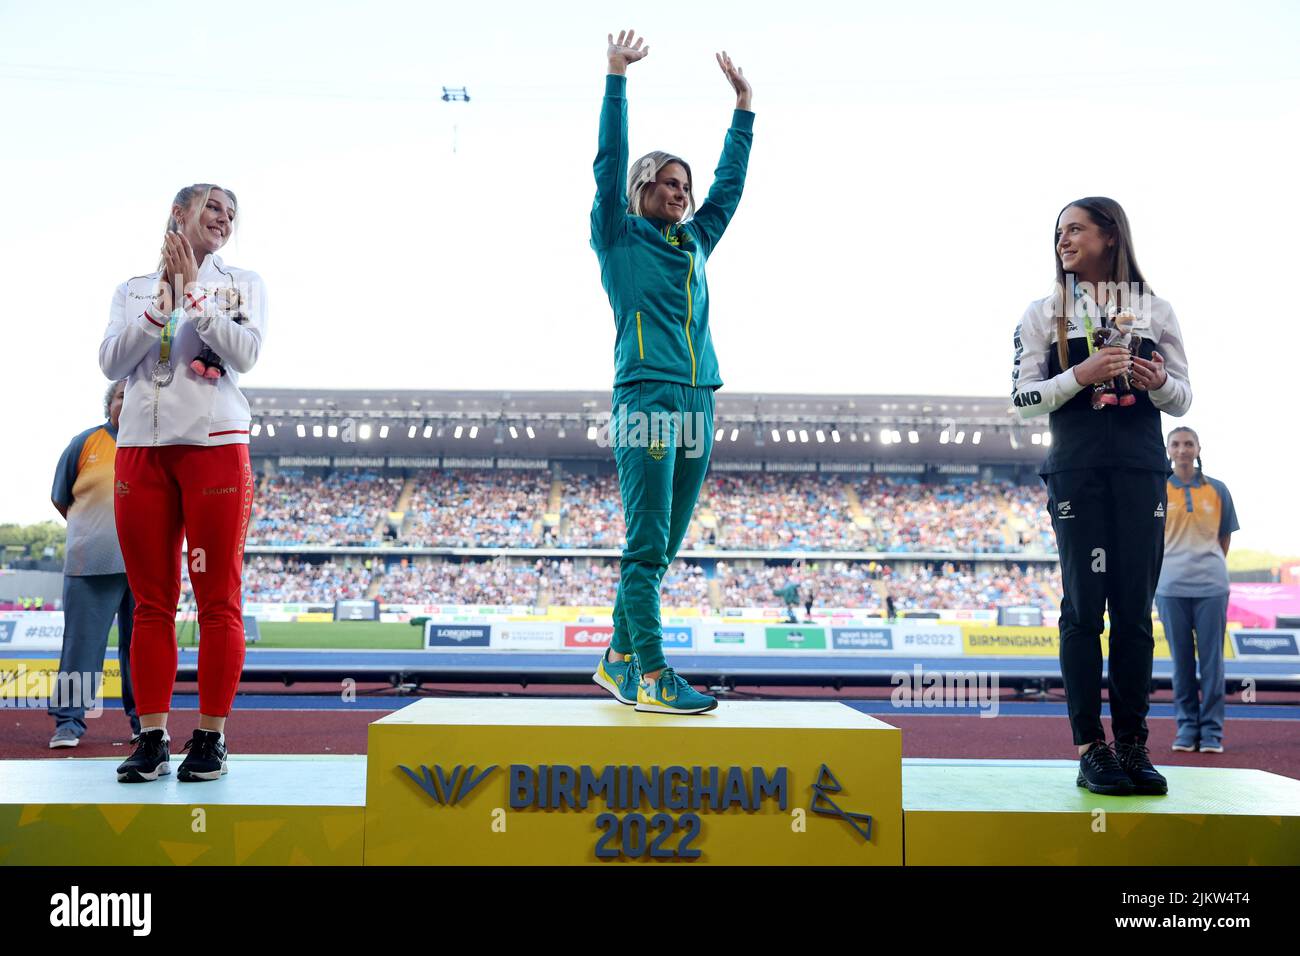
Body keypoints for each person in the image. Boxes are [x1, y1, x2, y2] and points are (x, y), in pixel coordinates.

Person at [589, 29, 753, 715]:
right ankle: (651, 674)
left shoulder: (696, 243)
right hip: (649, 397)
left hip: (698, 401)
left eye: (685, 185)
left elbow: (729, 189)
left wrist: (744, 111)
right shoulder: (617, 235)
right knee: (647, 540)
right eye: (668, 182)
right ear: (642, 189)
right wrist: (616, 78)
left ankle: (618, 658)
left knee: (666, 544)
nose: (682, 194)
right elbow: (608, 161)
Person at [1012, 197, 1192, 796]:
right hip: (1077, 471)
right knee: (1086, 612)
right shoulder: (1043, 314)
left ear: (1110, 235)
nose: (1063, 240)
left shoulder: (1156, 309)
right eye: (1058, 232)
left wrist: (1159, 381)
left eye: (1076, 229)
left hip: (1141, 469)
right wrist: (1081, 376)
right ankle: (1092, 748)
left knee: (1135, 615)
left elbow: (1184, 398)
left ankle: (1134, 745)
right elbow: (1023, 397)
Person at [100, 183, 266, 782]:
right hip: (141, 452)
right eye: (211, 207)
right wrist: (161, 303)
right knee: (151, 603)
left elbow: (245, 354)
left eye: (231, 212)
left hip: (215, 448)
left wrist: (194, 294)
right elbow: (112, 362)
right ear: (179, 214)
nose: (223, 218)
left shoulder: (242, 282)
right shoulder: (133, 289)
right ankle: (150, 738)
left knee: (217, 598)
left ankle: (211, 738)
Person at [47, 380, 141, 748]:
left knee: (141, 650)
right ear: (109, 404)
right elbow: (60, 498)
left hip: (143, 568)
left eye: (135, 396)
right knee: (81, 647)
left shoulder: (156, 447)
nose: (128, 402)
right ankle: (68, 723)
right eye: (121, 396)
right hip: (90, 565)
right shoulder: (84, 443)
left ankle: (145, 724)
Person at [1155, 427, 1237, 754]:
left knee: (1213, 663)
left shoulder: (1218, 490)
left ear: (1198, 448)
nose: (1183, 449)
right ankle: (1187, 729)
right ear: (1168, 450)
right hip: (1170, 587)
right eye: (1176, 444)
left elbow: (1225, 537)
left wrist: (1208, 564)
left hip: (1212, 587)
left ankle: (1213, 732)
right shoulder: (1157, 489)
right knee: (1182, 664)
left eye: (1189, 443)